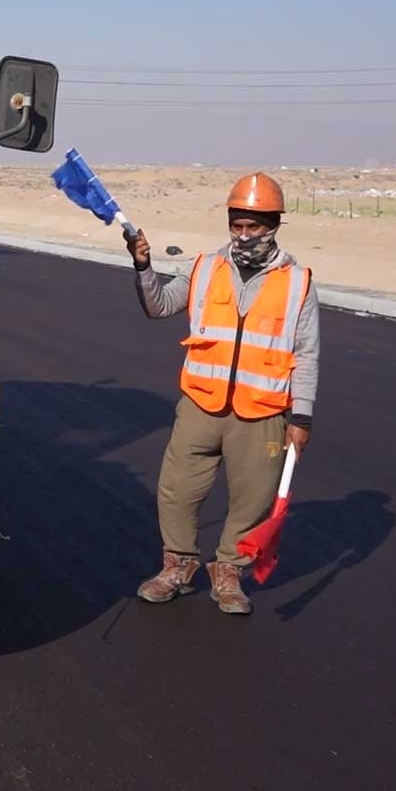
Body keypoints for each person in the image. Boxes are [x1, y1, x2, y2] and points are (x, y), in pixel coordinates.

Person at [127, 172, 319, 615]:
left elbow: (307, 353)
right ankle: (176, 566)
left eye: (254, 227)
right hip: (201, 403)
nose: (245, 235)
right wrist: (142, 266)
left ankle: (229, 572)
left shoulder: (298, 283)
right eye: (238, 225)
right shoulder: (205, 268)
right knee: (176, 490)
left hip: (262, 412)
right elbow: (157, 305)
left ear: (273, 225)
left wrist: (302, 418)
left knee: (253, 499)